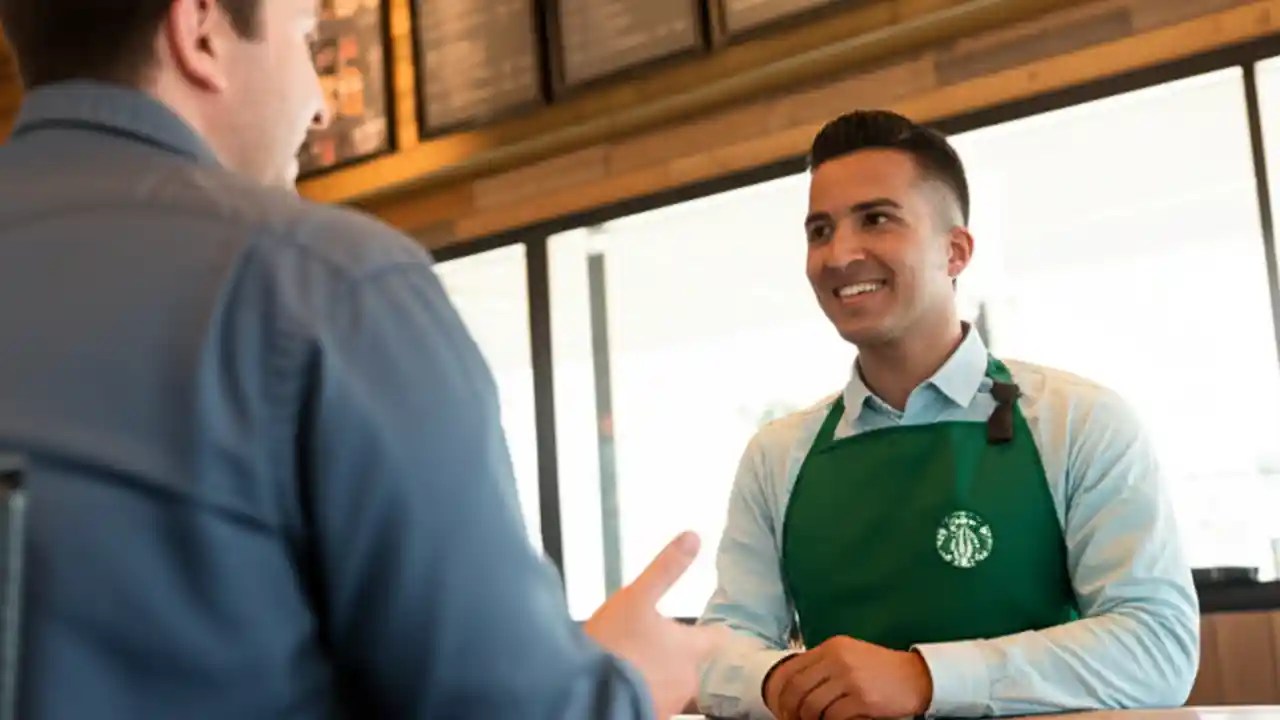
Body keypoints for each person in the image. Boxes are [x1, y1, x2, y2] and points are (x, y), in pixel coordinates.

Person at [0, 0, 719, 717]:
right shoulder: (325, 283)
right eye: (307, 38)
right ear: (201, 31)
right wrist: (630, 679)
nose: (319, 110)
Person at [696, 110, 1200, 719]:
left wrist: (924, 678)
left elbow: (1158, 649)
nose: (839, 254)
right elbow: (721, 652)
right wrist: (779, 683)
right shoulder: (777, 455)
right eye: (820, 230)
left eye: (876, 219)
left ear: (956, 251)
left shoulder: (1080, 421)